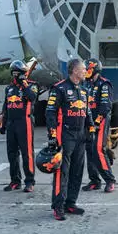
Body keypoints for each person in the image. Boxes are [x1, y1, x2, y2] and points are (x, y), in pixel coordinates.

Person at [46, 58, 93, 221]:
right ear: (74, 70)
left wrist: (91, 128)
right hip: (65, 135)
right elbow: (50, 113)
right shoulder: (59, 89)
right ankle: (58, 206)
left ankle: (70, 203)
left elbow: (87, 112)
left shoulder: (84, 90)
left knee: (77, 171)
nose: (86, 71)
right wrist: (52, 135)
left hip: (80, 135)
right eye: (83, 68)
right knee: (62, 171)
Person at [0, 60, 38, 193]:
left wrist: (24, 84)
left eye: (18, 73)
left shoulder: (32, 85)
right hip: (11, 122)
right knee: (12, 153)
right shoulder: (9, 88)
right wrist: (3, 124)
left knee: (27, 153)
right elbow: (5, 107)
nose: (15, 76)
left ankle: (30, 181)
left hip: (25, 122)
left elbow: (33, 98)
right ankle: (15, 180)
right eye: (14, 73)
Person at [82, 59, 116, 193]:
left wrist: (97, 122)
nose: (85, 72)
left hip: (100, 121)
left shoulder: (104, 84)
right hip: (88, 122)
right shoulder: (86, 84)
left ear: (94, 70)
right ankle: (94, 180)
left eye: (87, 69)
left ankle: (110, 180)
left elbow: (106, 106)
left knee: (98, 149)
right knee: (89, 150)